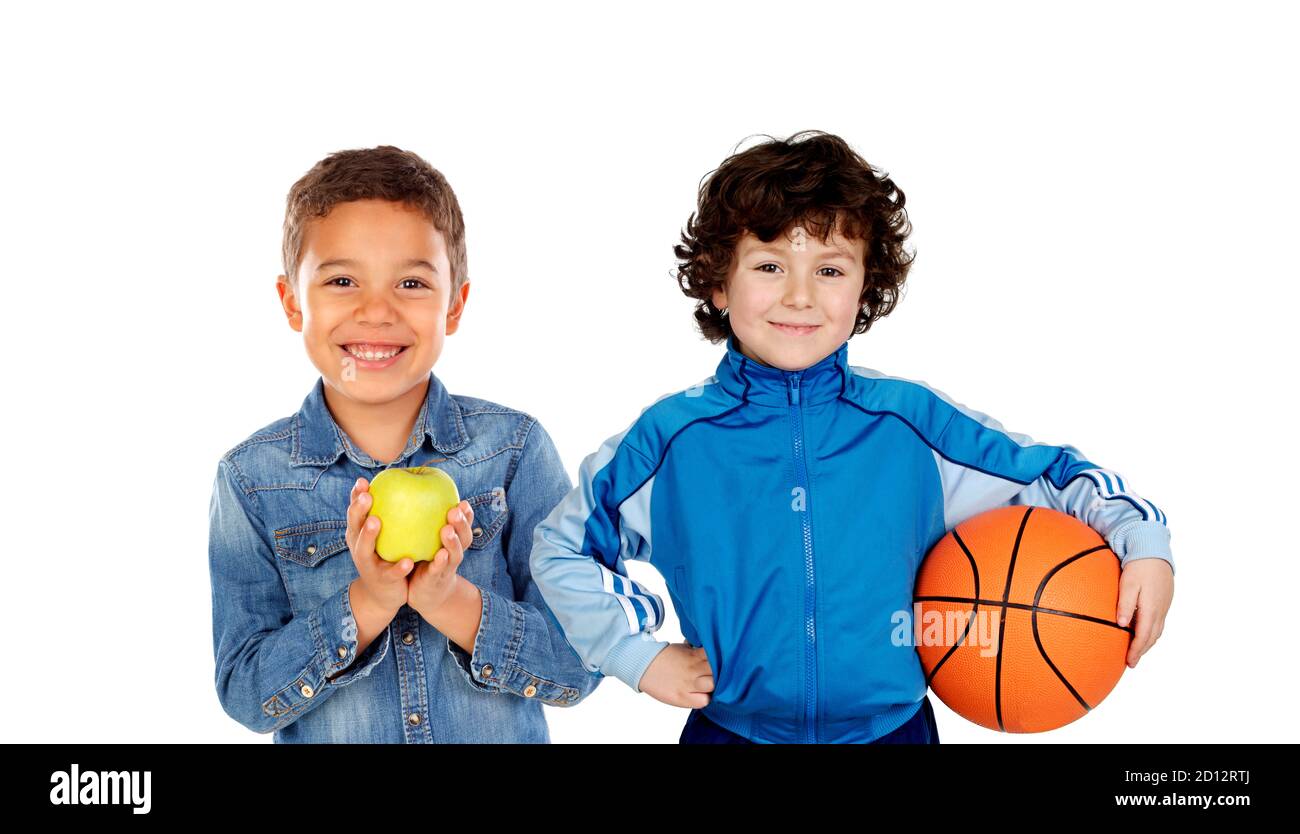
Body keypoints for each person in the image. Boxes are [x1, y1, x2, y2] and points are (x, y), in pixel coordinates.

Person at [530, 130, 1175, 744]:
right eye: (769, 265)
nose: (800, 296)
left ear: (867, 284)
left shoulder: (911, 424)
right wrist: (637, 655)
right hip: (729, 731)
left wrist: (1143, 542)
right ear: (720, 283)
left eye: (831, 270)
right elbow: (562, 548)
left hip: (894, 731)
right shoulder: (672, 441)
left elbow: (1055, 475)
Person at [208, 145, 600, 742]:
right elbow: (246, 694)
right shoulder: (252, 479)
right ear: (293, 302)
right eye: (342, 280)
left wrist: (452, 603)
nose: (376, 311)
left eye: (412, 282)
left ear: (454, 304)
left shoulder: (513, 451)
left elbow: (580, 665)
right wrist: (366, 603)